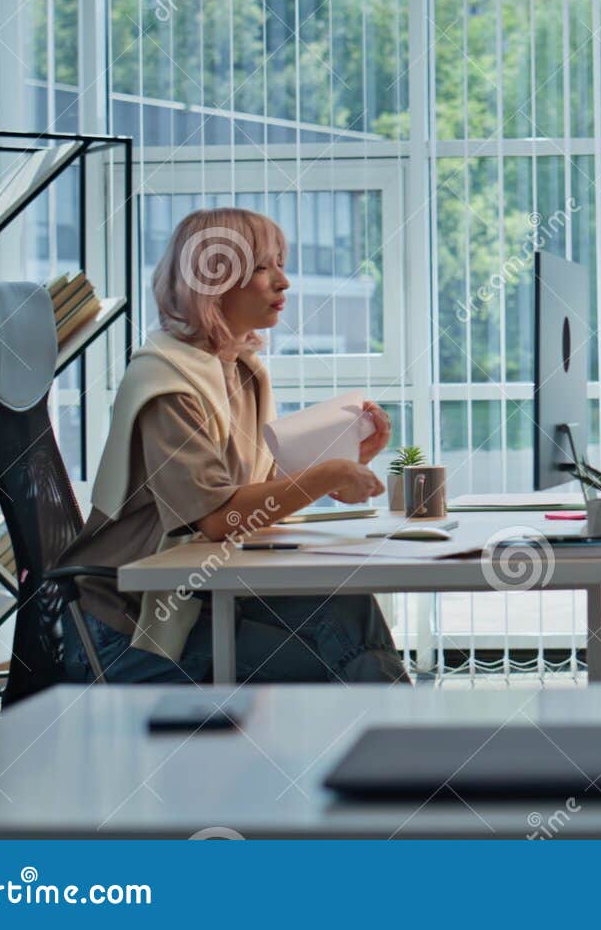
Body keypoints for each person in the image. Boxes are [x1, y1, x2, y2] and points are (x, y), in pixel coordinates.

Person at [59, 207, 408, 684]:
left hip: (201, 591)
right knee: (335, 663)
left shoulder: (241, 370)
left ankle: (395, 745)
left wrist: (342, 463)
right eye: (263, 267)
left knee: (349, 608)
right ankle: (392, 743)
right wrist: (325, 477)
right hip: (132, 626)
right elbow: (220, 518)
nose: (284, 282)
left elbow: (256, 498)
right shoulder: (168, 382)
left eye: (281, 264)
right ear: (211, 282)